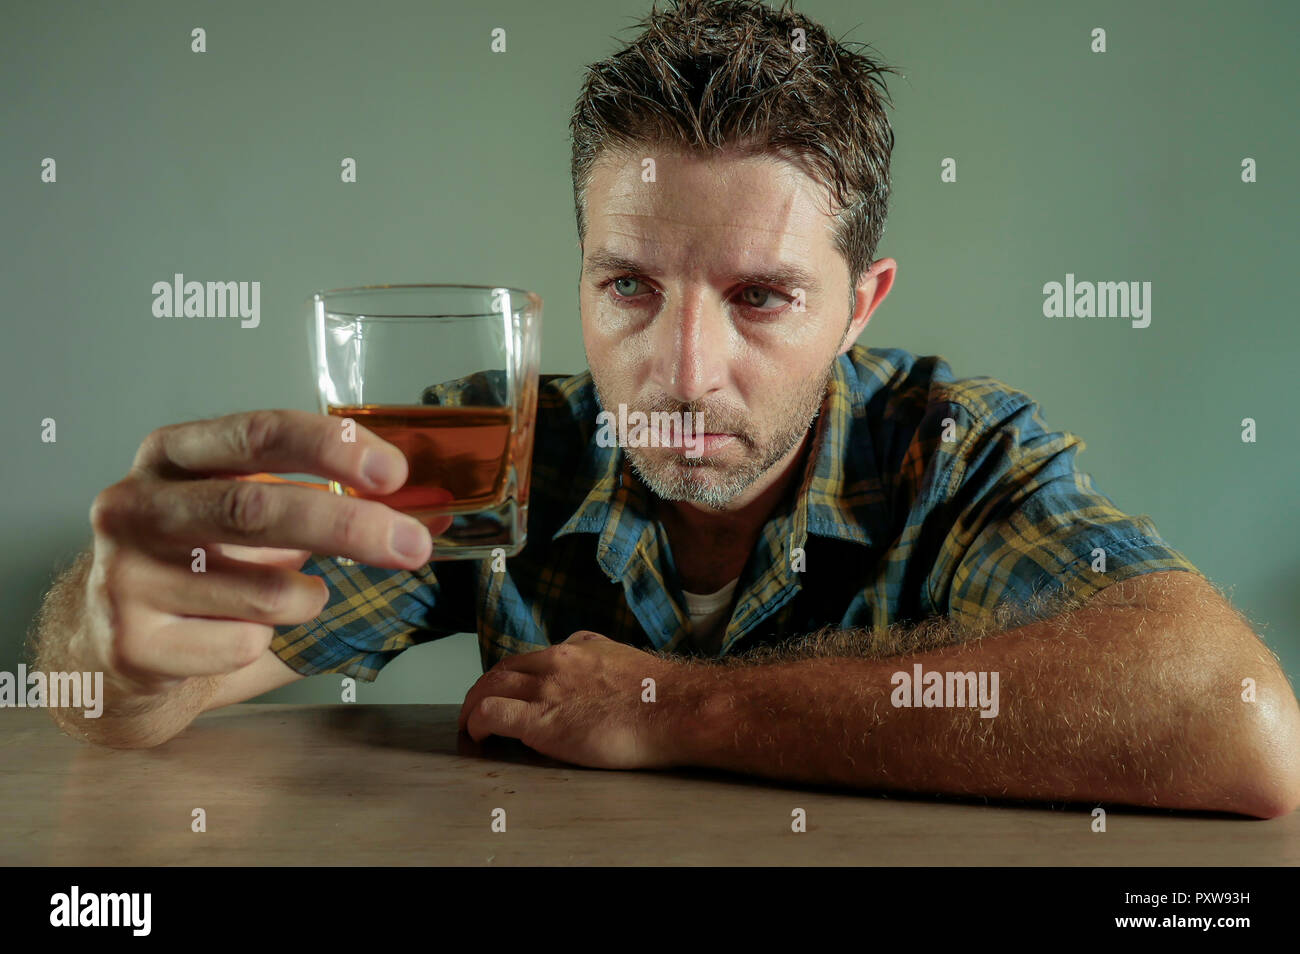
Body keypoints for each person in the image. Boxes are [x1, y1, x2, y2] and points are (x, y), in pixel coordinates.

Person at [31, 0, 1300, 817]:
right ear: (578, 271)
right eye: (629, 283)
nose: (682, 371)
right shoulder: (507, 443)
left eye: (759, 295)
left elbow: (1239, 725)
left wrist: (680, 706)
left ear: (861, 304)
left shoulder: (951, 454)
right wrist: (109, 643)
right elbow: (152, 687)